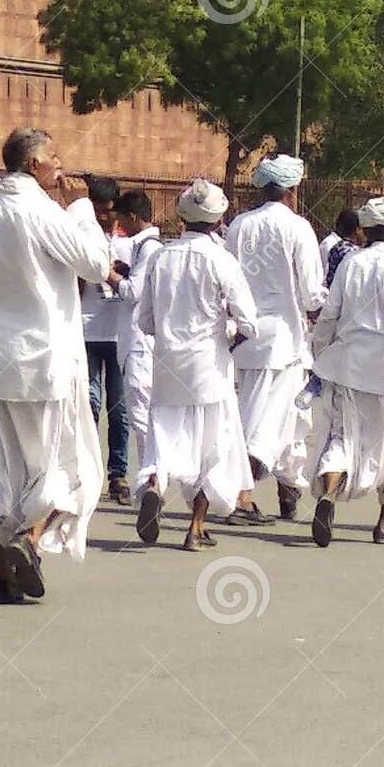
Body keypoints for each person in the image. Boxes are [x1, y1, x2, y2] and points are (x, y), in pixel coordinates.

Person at [0, 128, 111, 603]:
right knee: (71, 463)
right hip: (44, 362)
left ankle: (2, 578)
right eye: (53, 157)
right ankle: (31, 536)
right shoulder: (44, 211)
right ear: (33, 164)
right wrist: (82, 209)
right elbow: (97, 264)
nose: (60, 165)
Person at [133, 179, 260, 550]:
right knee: (211, 447)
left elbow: (145, 322)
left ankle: (155, 484)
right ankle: (195, 527)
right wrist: (230, 331)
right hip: (210, 368)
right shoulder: (222, 259)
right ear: (219, 220)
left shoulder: (160, 257)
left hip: (167, 365)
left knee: (164, 436)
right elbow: (249, 322)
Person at [309, 193, 384, 548]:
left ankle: (328, 495)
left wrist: (319, 352)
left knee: (341, 438)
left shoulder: (351, 263)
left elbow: (329, 313)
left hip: (347, 366)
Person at [224, 153, 326, 522]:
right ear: (292, 191)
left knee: (282, 418)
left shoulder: (239, 225)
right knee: (264, 423)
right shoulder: (298, 228)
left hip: (245, 337)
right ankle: (239, 493)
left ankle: (287, 488)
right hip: (284, 340)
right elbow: (312, 292)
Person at [67, 175, 133, 504]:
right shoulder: (79, 237)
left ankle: (118, 474)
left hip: (118, 333)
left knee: (119, 409)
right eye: (99, 211)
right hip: (87, 330)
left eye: (109, 211)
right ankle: (86, 471)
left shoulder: (129, 243)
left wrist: (119, 272)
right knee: (89, 404)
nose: (104, 217)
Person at [111, 190, 163, 491]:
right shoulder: (144, 248)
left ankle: (151, 481)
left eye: (121, 220)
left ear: (132, 218)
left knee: (141, 416)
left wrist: (108, 275)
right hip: (136, 343)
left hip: (140, 344)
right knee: (141, 415)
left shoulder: (149, 247)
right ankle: (151, 478)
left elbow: (133, 293)